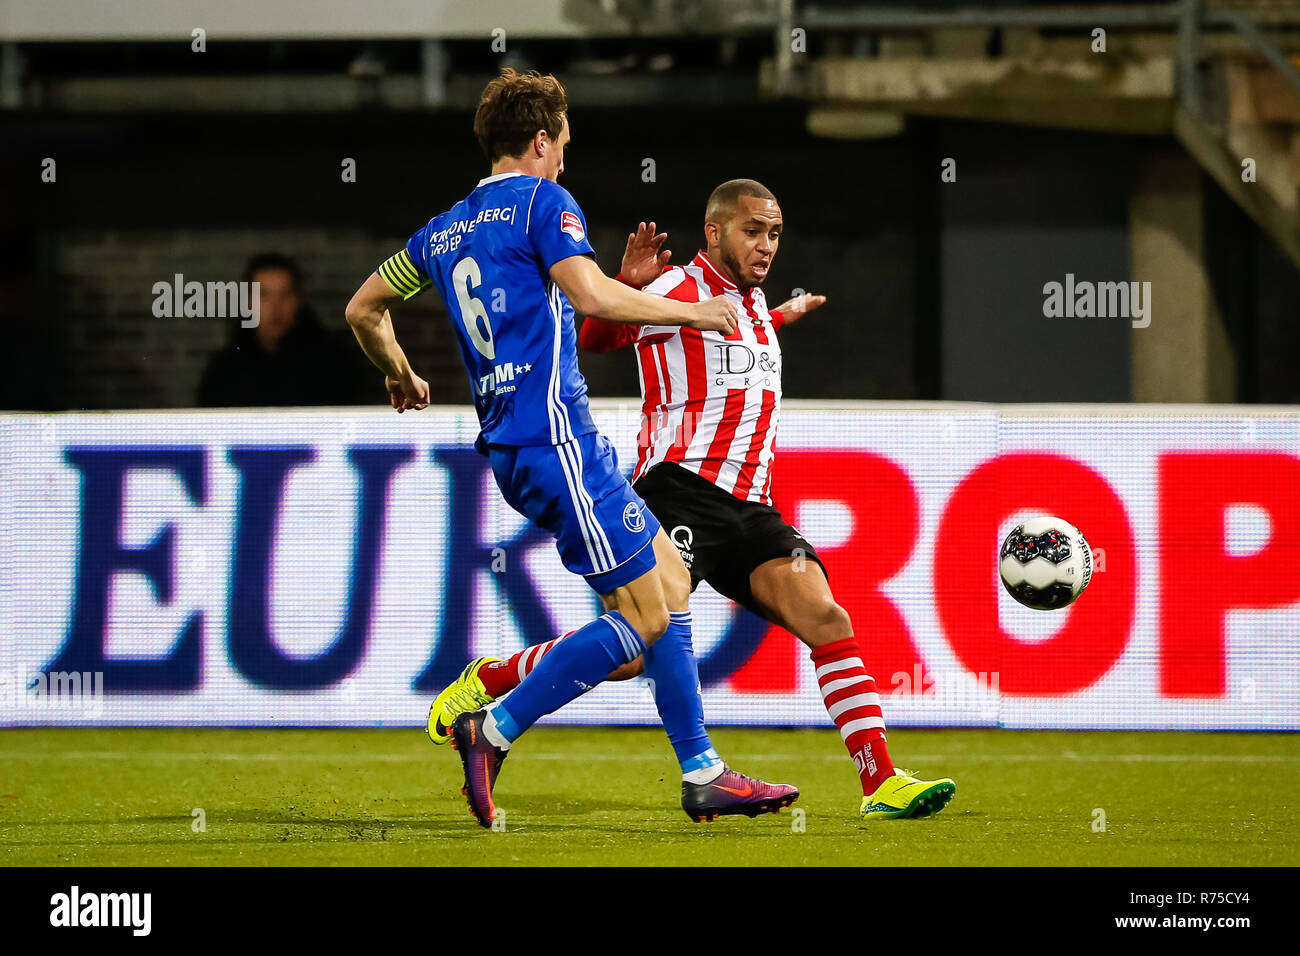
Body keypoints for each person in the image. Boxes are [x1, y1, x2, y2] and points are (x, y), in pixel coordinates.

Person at [343, 69, 797, 828]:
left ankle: (702, 771)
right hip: (555, 440)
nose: (565, 161)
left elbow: (365, 308)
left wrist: (402, 374)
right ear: (542, 140)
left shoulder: (443, 228)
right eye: (563, 146)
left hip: (520, 444)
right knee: (648, 616)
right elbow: (592, 298)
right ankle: (494, 724)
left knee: (671, 584)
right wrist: (695, 313)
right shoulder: (543, 202)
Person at [438, 180, 957, 821]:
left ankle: (881, 783)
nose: (765, 245)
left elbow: (730, 359)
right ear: (715, 232)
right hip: (680, 493)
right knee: (633, 647)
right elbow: (596, 336)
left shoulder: (756, 306)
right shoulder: (680, 287)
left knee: (828, 620)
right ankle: (500, 681)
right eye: (752, 231)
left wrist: (782, 317)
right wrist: (626, 284)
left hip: (751, 510)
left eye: (774, 233)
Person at [198, 252, 363, 407]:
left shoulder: (332, 367)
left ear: (298, 300)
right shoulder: (224, 372)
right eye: (263, 295)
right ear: (248, 301)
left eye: (285, 295)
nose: (275, 308)